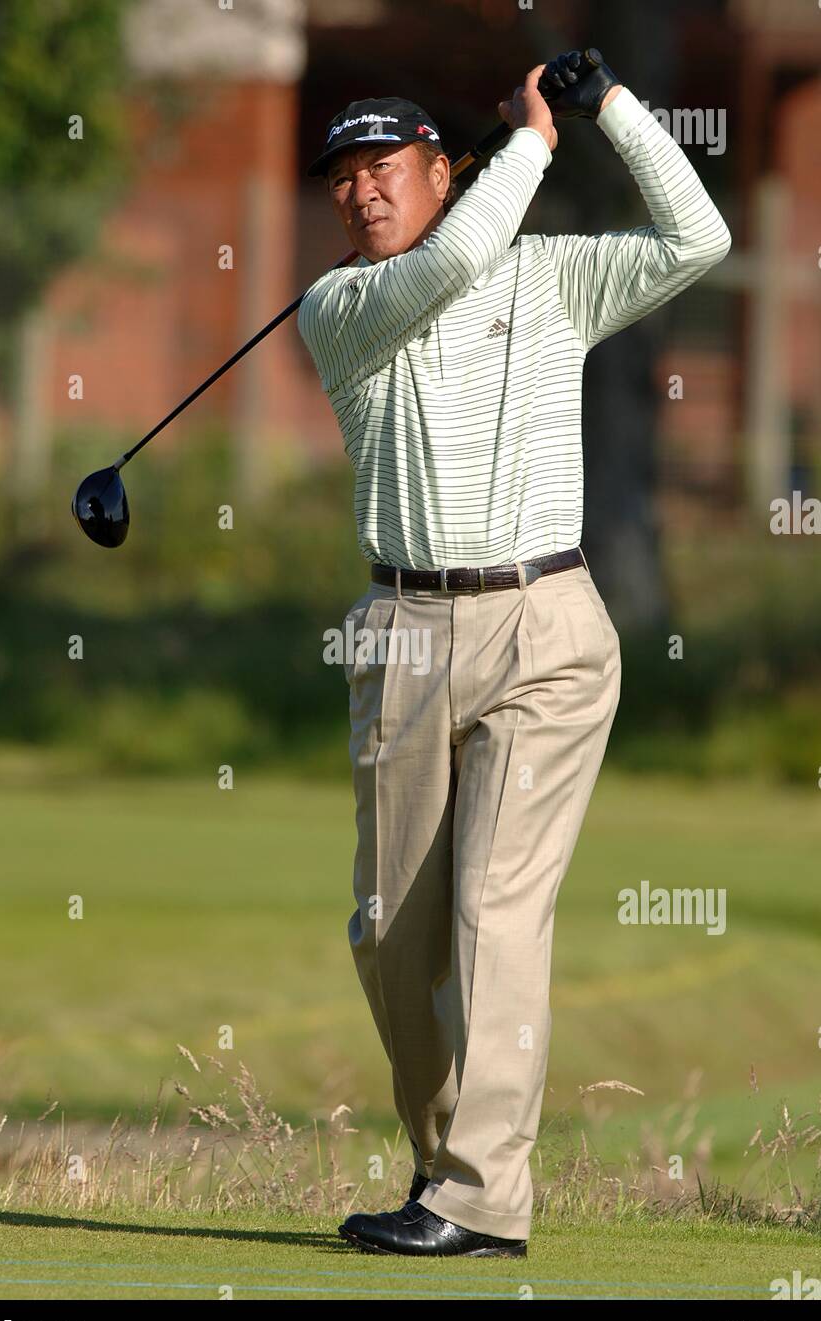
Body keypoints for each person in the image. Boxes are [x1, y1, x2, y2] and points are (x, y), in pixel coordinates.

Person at [297, 53, 731, 1257]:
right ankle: (444, 1163)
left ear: (446, 170)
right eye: (343, 176)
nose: (360, 191)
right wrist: (534, 144)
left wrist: (608, 111)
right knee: (394, 931)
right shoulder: (339, 307)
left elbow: (697, 237)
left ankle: (482, 1195)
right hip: (403, 633)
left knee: (494, 910)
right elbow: (446, 269)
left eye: (385, 166)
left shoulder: (556, 276)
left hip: (548, 628)